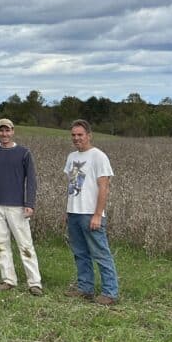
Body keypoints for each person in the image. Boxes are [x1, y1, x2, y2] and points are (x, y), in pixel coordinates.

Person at [0, 118, 42, 295]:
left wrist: (29, 203)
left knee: (25, 244)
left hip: (17, 207)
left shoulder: (24, 153)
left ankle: (34, 282)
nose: (4, 134)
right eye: (1, 131)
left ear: (13, 131)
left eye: (7, 130)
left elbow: (31, 180)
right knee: (1, 243)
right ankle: (8, 279)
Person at [63, 119, 119, 304]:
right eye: (73, 135)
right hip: (74, 212)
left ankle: (110, 292)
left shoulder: (98, 157)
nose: (76, 138)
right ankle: (85, 288)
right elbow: (73, 185)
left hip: (90, 214)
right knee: (80, 253)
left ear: (89, 135)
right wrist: (69, 211)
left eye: (80, 135)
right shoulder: (71, 157)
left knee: (101, 253)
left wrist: (97, 214)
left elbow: (104, 188)